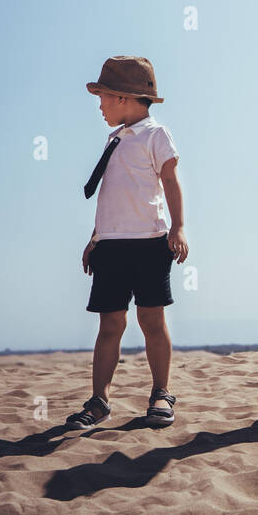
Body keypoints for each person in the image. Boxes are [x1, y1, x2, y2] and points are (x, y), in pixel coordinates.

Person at [65, 55, 188, 431]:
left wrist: (178, 227)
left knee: (151, 319)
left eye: (103, 96)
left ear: (123, 97)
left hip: (149, 243)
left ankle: (161, 393)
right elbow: (110, 196)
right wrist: (94, 238)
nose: (100, 104)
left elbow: (170, 182)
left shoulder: (156, 134)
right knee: (109, 325)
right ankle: (99, 401)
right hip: (111, 246)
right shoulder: (114, 139)